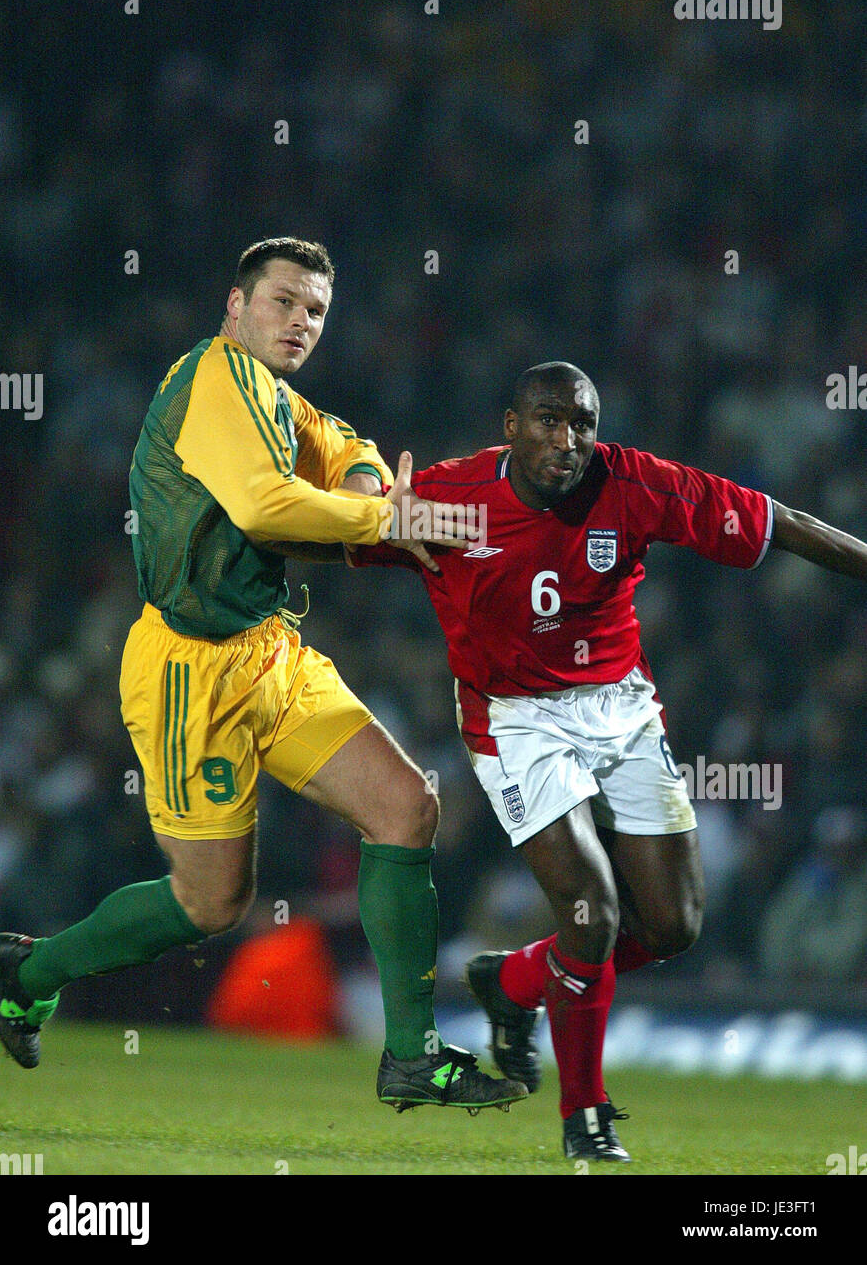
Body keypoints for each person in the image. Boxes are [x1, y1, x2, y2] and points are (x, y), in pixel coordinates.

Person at [0, 236, 527, 1116]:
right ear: (234, 307)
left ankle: (410, 1053)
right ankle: (29, 969)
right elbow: (263, 505)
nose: (299, 322)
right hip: (188, 672)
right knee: (212, 904)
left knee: (406, 806)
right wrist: (387, 520)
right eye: (282, 302)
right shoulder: (214, 379)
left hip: (271, 653)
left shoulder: (276, 400)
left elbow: (348, 447)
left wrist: (370, 488)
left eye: (314, 311)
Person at [347, 360, 867, 1159]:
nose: (568, 440)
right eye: (549, 421)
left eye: (582, 423)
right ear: (510, 425)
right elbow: (325, 533)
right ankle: (583, 1117)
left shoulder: (632, 484)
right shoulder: (448, 501)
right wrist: (307, 516)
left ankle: (514, 980)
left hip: (619, 707)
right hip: (512, 717)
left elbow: (779, 520)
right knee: (589, 908)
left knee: (672, 924)